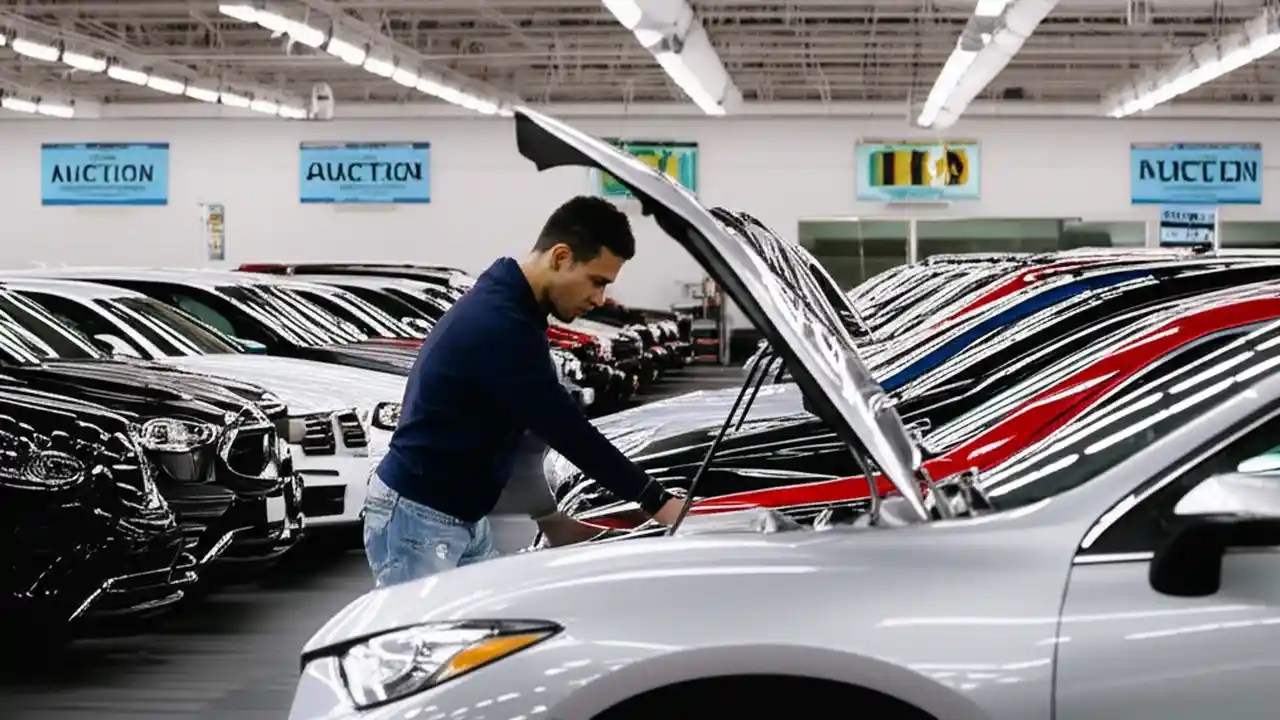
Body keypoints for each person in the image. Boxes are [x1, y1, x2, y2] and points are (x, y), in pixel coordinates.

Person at [363, 195, 685, 587]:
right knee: (418, 644)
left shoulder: (514, 307)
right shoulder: (500, 323)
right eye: (597, 281)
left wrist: (549, 518)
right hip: (419, 520)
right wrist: (658, 502)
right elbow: (566, 429)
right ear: (561, 256)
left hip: (454, 515)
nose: (600, 300)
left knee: (477, 639)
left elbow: (526, 430)